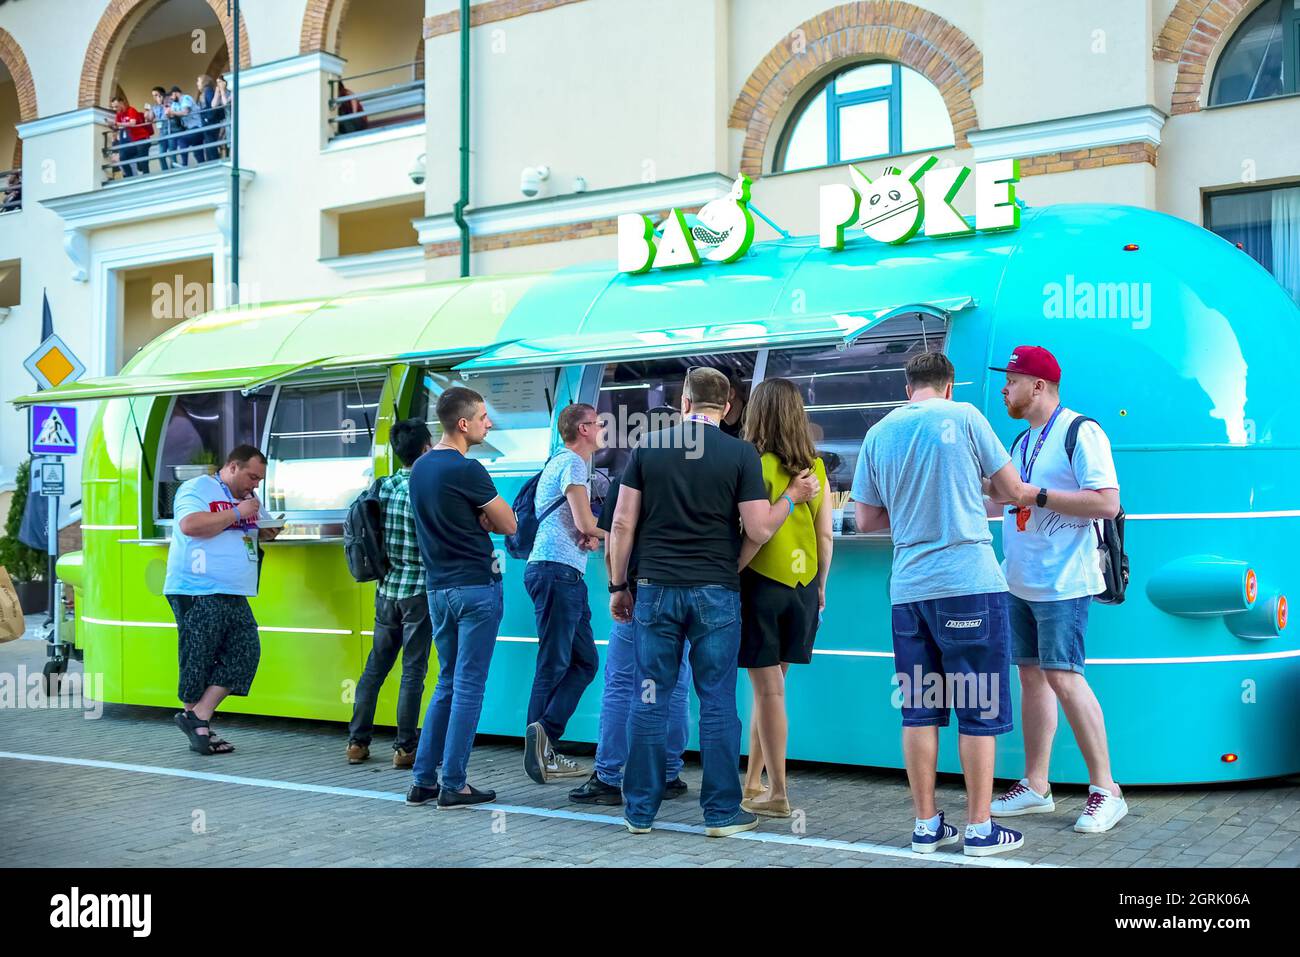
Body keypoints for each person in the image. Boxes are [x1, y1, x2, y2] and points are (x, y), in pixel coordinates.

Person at [608, 366, 818, 837]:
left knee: (650, 696)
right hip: (717, 593)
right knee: (718, 701)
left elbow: (621, 525)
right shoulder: (739, 453)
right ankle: (722, 812)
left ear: (684, 402)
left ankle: (639, 810)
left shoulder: (648, 447)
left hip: (655, 589)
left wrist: (618, 586)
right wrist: (788, 497)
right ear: (726, 409)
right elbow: (760, 529)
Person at [852, 351, 1032, 857]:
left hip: (909, 591)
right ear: (949, 386)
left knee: (919, 711)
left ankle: (926, 825)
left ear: (909, 386)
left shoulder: (878, 433)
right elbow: (1012, 490)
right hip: (968, 583)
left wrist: (915, 518)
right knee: (978, 711)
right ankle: (980, 828)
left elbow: (866, 522)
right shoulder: (965, 417)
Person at [986, 346, 1128, 833]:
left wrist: (1035, 495)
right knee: (1031, 677)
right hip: (1022, 579)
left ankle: (1106, 790)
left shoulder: (1080, 431)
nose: (1005, 388)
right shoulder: (1024, 441)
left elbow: (1107, 503)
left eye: (1011, 379)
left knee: (1065, 676)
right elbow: (1005, 497)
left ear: (1038, 386)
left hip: (1064, 581)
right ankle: (1037, 785)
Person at [405, 387, 517, 810]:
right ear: (464, 423)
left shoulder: (420, 469)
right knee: (470, 686)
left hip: (438, 589)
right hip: (475, 586)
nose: (490, 424)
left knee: (447, 682)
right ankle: (455, 783)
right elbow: (508, 523)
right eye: (484, 416)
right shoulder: (468, 470)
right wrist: (484, 518)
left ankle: (423, 780)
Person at [737, 378, 833, 817]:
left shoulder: (751, 464)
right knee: (771, 692)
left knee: (767, 692)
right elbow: (825, 534)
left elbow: (751, 530)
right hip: (802, 590)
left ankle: (777, 792)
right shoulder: (813, 466)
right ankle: (753, 782)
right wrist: (821, 587)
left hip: (760, 585)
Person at [568, 471, 693, 806]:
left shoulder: (636, 471)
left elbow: (617, 532)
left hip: (642, 590)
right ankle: (668, 773)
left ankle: (608, 777)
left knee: (622, 683)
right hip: (687, 591)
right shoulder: (706, 469)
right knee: (677, 683)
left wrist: (617, 587)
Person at [164, 445, 279, 754]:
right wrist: (237, 513)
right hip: (196, 587)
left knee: (246, 650)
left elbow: (264, 527)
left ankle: (197, 716)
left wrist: (267, 528)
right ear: (231, 467)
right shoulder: (198, 487)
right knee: (198, 656)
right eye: (251, 476)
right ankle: (200, 728)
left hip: (234, 589)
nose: (255, 484)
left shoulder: (248, 499)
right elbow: (190, 525)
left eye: (259, 479)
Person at [346, 419, 435, 768]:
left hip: (386, 590)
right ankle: (405, 748)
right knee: (413, 671)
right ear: (427, 449)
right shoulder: (425, 489)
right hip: (419, 592)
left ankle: (357, 742)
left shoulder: (381, 486)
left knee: (375, 668)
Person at [522, 403, 604, 783]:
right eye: (599, 423)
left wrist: (585, 537)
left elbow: (575, 524)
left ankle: (544, 737)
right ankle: (539, 753)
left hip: (562, 571)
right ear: (584, 429)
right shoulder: (572, 464)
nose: (603, 427)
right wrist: (621, 532)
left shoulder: (562, 462)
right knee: (553, 663)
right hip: (556, 572)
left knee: (584, 662)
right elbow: (585, 520)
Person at [110, 95, 151, 177]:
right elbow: (117, 126)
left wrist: (118, 124)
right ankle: (130, 177)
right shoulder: (119, 115)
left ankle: (147, 177)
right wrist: (111, 125)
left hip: (141, 139)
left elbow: (133, 123)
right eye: (113, 107)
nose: (115, 109)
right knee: (122, 157)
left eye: (116, 106)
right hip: (132, 142)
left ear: (122, 103)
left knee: (143, 163)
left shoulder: (131, 110)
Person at [167, 86, 202, 166]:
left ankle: (184, 165)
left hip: (197, 127)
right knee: (198, 153)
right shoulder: (175, 103)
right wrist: (168, 114)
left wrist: (172, 112)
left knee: (182, 140)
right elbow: (172, 114)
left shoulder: (186, 98)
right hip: (189, 129)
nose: (171, 98)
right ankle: (204, 166)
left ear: (175, 93)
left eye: (171, 96)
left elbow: (185, 112)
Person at [149, 86, 174, 171]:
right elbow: (150, 119)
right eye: (153, 95)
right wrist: (147, 111)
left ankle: (174, 172)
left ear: (162, 95)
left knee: (172, 154)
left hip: (171, 129)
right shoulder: (154, 107)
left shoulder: (169, 102)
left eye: (156, 95)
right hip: (162, 132)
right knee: (161, 155)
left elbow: (169, 113)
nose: (155, 97)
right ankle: (166, 172)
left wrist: (163, 103)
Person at [195, 75, 217, 163]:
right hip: (207, 124)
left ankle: (214, 164)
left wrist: (207, 119)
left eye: (198, 81)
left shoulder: (208, 92)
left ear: (204, 82)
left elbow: (211, 107)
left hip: (209, 124)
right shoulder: (205, 93)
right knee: (208, 148)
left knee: (211, 148)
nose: (197, 83)